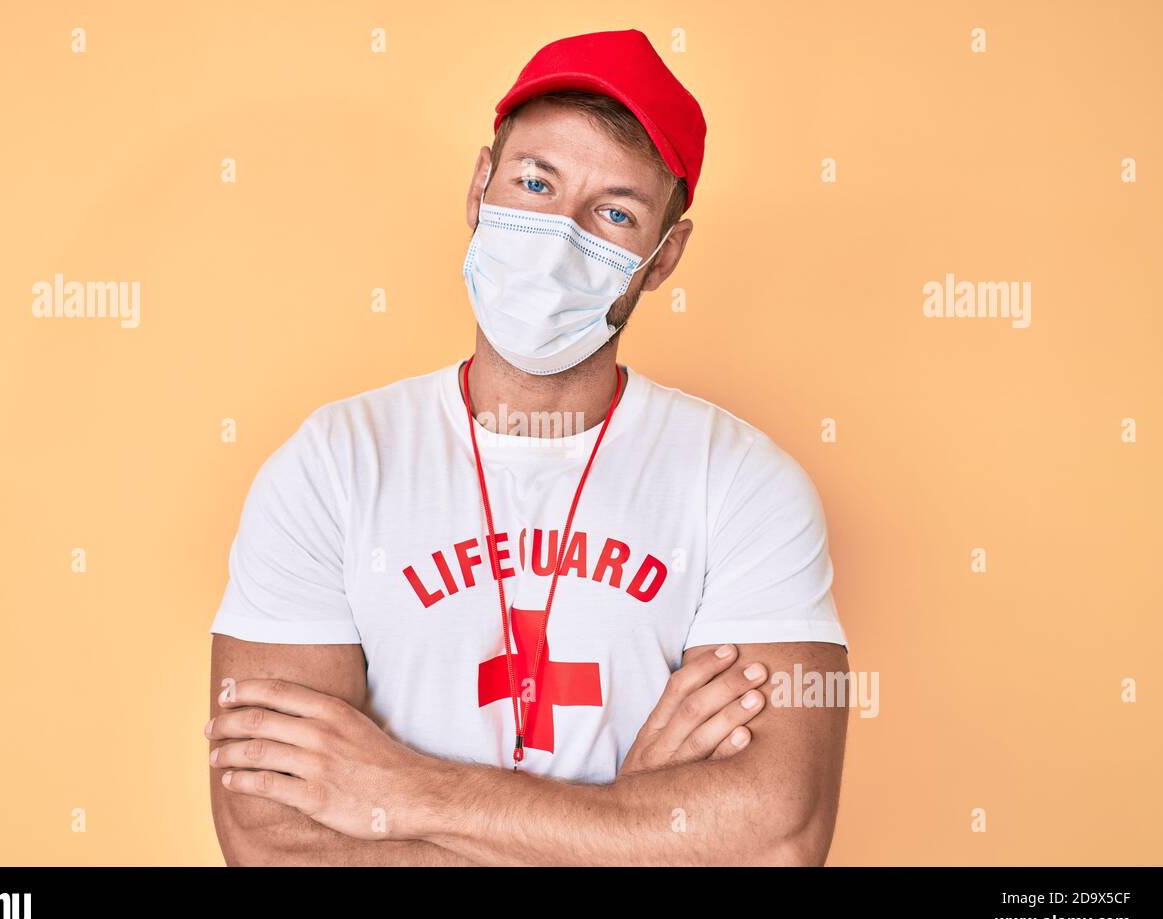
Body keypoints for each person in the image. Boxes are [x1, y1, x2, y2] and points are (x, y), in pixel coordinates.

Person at [206, 29, 849, 866]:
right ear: (480, 186)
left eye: (614, 212)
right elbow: (271, 842)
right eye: (535, 182)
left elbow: (777, 839)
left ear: (663, 258)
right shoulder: (331, 465)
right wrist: (629, 823)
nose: (557, 236)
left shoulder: (744, 485)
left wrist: (399, 790)